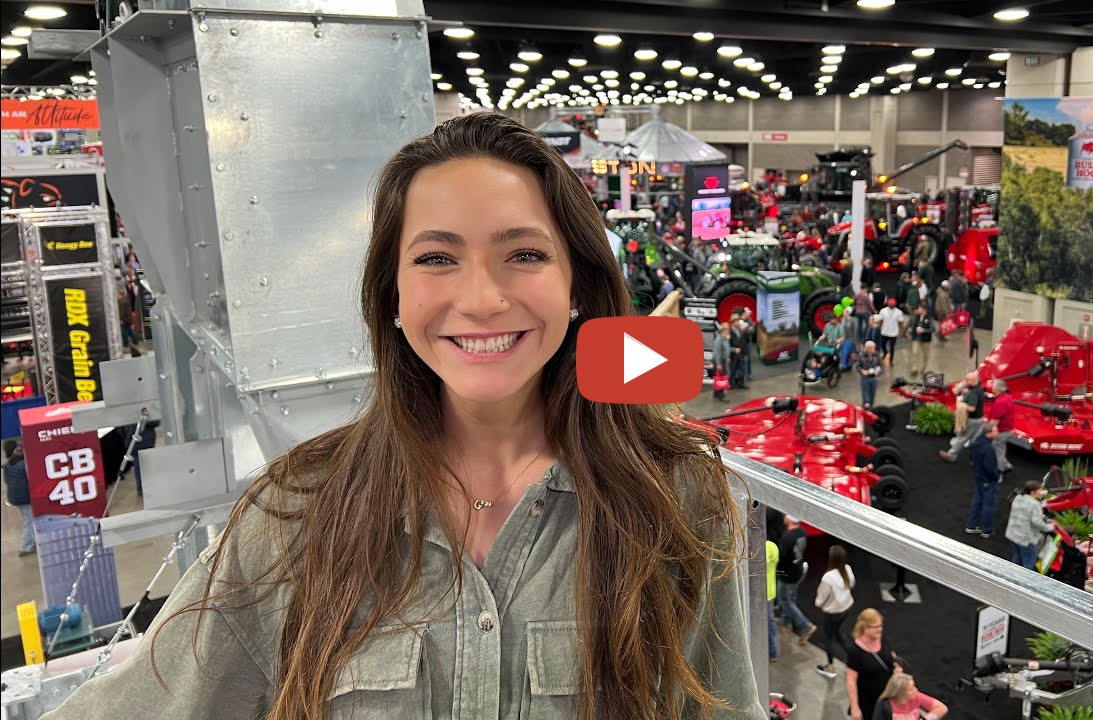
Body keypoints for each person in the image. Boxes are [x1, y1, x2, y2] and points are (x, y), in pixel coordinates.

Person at [44, 112, 765, 720]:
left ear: (576, 283)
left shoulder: (678, 499)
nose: (482, 298)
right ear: (392, 295)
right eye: (437, 259)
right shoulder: (296, 512)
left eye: (523, 253)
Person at [845, 608, 899, 720]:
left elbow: (891, 654)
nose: (880, 630)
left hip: (887, 696)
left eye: (880, 626)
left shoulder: (882, 639)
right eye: (875, 627)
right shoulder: (855, 651)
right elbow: (851, 680)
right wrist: (855, 707)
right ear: (864, 627)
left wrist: (896, 667)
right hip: (868, 701)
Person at [815, 545, 856, 679]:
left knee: (829, 638)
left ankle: (830, 667)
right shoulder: (847, 569)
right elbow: (852, 584)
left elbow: (821, 598)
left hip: (832, 612)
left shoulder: (828, 577)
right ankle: (853, 659)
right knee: (838, 633)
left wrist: (819, 604)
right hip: (846, 607)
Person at [776, 515, 817, 645]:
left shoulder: (787, 537)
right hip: (797, 570)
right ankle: (786, 621)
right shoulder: (802, 532)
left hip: (787, 574)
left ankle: (806, 625)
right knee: (791, 598)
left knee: (785, 601)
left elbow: (780, 557)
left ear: (787, 520)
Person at [1006, 478, 1054, 570]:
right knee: (1029, 562)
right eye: (1039, 490)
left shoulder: (1018, 497)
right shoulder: (1034, 504)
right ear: (1032, 492)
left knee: (1017, 558)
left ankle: (1012, 577)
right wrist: (1050, 527)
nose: (1041, 492)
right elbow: (1037, 522)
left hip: (1012, 534)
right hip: (1026, 539)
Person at [965, 423, 1002, 538]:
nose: (998, 433)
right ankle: (987, 530)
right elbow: (990, 467)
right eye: (995, 431)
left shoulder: (976, 442)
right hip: (988, 480)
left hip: (979, 478)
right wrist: (997, 477)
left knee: (977, 501)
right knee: (989, 505)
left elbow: (971, 458)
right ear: (988, 433)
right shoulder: (988, 448)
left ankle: (971, 526)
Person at [939, 372, 985, 463]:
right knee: (975, 440)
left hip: (972, 420)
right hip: (979, 419)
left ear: (973, 381)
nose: (965, 381)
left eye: (967, 380)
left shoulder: (973, 393)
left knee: (962, 437)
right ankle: (976, 459)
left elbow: (972, 408)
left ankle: (951, 456)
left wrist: (961, 404)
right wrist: (965, 391)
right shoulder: (978, 387)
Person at [3, 439, 35, 557]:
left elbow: (6, 480)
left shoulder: (8, 464)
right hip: (24, 498)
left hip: (13, 497)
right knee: (29, 521)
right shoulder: (23, 464)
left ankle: (33, 542)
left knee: (29, 519)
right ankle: (25, 547)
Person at [871, 672, 949, 720]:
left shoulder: (916, 696)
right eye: (911, 689)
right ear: (900, 692)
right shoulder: (884, 705)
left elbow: (942, 708)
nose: (915, 690)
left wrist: (926, 719)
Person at [986, 379, 1016, 476]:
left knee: (996, 450)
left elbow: (995, 421)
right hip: (1007, 429)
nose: (991, 386)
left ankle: (998, 473)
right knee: (1000, 448)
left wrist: (987, 431)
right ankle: (1006, 465)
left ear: (996, 388)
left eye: (993, 385)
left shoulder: (1001, 402)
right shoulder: (1007, 397)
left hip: (1001, 431)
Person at [908, 304, 934, 380]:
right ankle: (914, 369)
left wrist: (924, 330)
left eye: (919, 308)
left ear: (924, 309)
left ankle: (922, 369)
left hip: (925, 339)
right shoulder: (916, 317)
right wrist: (912, 337)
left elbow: (933, 329)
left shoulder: (929, 318)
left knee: (925, 355)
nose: (918, 310)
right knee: (915, 353)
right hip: (916, 338)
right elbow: (913, 327)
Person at [876, 299, 905, 366]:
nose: (891, 305)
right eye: (890, 304)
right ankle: (885, 352)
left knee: (892, 347)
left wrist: (902, 332)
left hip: (893, 333)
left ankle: (891, 361)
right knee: (882, 345)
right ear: (888, 303)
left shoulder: (899, 312)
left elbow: (901, 323)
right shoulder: (883, 310)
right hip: (884, 331)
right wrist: (879, 327)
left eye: (892, 304)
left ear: (895, 304)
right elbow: (881, 320)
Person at [856, 341, 884, 408]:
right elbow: (857, 366)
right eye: (871, 348)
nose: (873, 349)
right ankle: (866, 405)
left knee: (872, 393)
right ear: (867, 348)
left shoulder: (876, 354)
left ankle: (871, 407)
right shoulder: (861, 355)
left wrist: (880, 369)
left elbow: (881, 365)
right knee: (865, 393)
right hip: (865, 378)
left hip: (874, 377)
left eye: (874, 348)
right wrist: (862, 371)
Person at [765, 538, 779, 664]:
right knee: (771, 623)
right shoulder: (773, 546)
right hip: (771, 590)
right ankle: (773, 653)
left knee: (767, 624)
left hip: (762, 593)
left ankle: (769, 652)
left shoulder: (760, 550)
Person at [712, 322, 732, 401]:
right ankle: (721, 396)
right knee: (721, 378)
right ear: (723, 330)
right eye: (727, 330)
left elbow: (726, 349)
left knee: (719, 377)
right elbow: (717, 352)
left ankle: (716, 394)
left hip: (723, 360)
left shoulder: (725, 338)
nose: (728, 331)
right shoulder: (719, 339)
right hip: (719, 361)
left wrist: (727, 357)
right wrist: (718, 364)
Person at [739, 308, 758, 380]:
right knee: (744, 359)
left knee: (749, 359)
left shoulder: (748, 319)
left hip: (749, 342)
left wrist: (750, 328)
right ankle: (743, 374)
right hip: (744, 343)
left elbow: (753, 330)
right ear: (744, 313)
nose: (749, 314)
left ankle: (749, 374)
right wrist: (749, 328)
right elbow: (748, 331)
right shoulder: (740, 321)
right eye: (748, 313)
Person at [840, 304, 860, 371]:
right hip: (843, 338)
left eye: (845, 312)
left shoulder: (853, 320)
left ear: (848, 313)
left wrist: (854, 341)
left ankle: (844, 365)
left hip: (850, 339)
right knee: (845, 352)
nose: (843, 313)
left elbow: (855, 331)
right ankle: (847, 364)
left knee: (846, 352)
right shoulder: (842, 319)